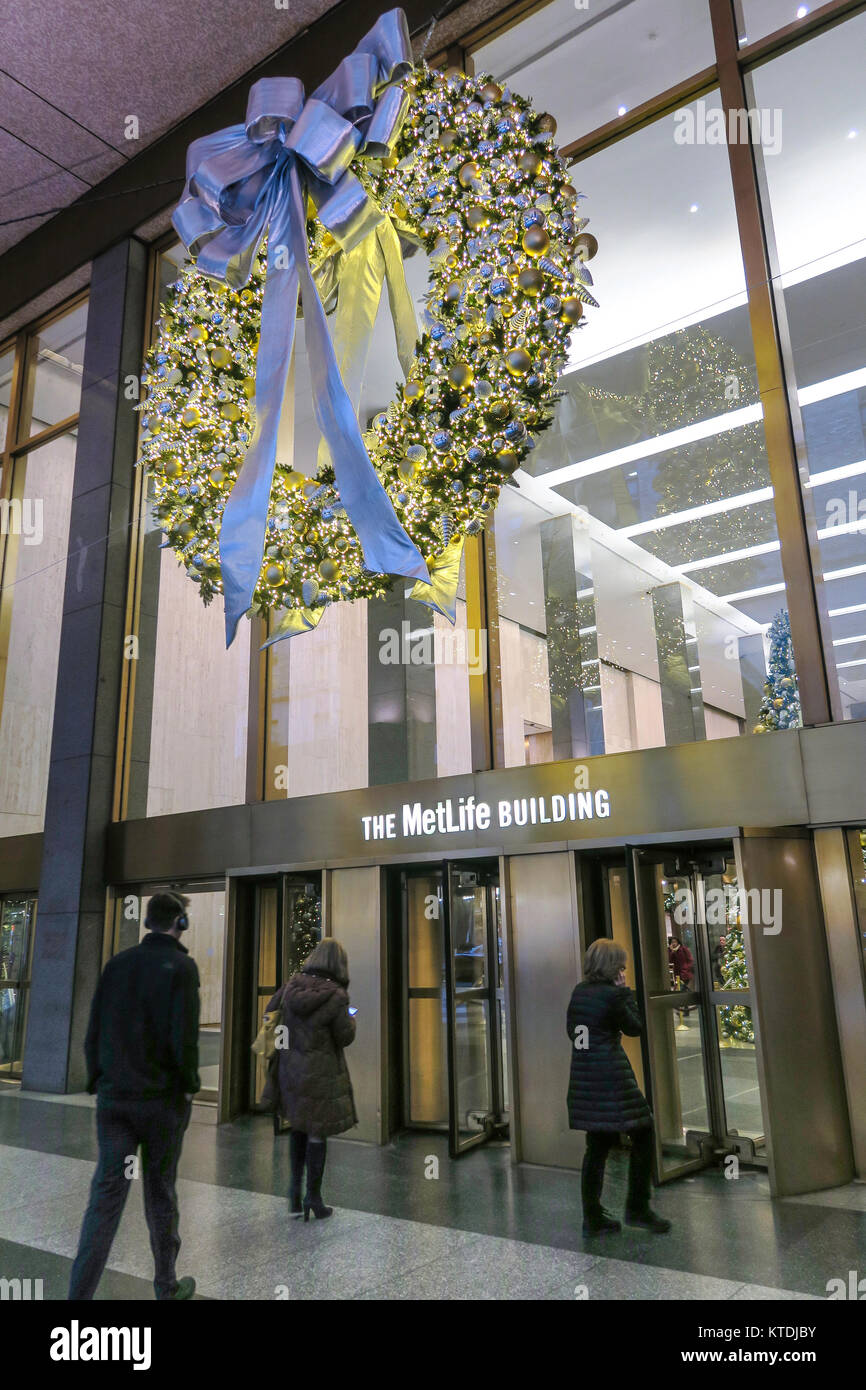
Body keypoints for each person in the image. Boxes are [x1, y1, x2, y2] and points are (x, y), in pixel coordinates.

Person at [68, 892, 200, 1301]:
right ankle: (166, 1285)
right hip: (161, 1103)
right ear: (179, 922)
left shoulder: (117, 965)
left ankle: (78, 1296)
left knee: (105, 1199)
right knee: (160, 1192)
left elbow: (93, 1031)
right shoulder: (181, 967)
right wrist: (188, 1085)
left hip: (115, 1104)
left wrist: (99, 1081)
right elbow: (184, 1040)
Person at [567, 938, 670, 1237]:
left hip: (585, 1077)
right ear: (612, 968)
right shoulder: (614, 995)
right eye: (621, 966)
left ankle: (592, 1217)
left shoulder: (579, 992)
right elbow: (635, 1028)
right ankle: (637, 1208)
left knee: (596, 1146)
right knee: (644, 1132)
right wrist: (625, 993)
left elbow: (573, 1033)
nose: (623, 971)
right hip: (612, 1078)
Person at [266, 937, 357, 1221]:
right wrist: (352, 1019)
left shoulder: (292, 985)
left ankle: (294, 1192)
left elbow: (270, 1012)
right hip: (320, 1071)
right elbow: (344, 1036)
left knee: (298, 1124)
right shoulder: (336, 996)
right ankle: (313, 1197)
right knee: (317, 1131)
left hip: (290, 1069)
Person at [668, 934, 695, 1015]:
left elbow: (690, 960)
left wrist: (686, 968)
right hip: (678, 975)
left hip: (685, 974)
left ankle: (685, 1010)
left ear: (678, 942)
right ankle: (685, 1009)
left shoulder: (684, 949)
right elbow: (670, 961)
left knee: (682, 991)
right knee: (682, 992)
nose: (674, 943)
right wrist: (672, 952)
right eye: (672, 942)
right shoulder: (672, 951)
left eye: (675, 942)